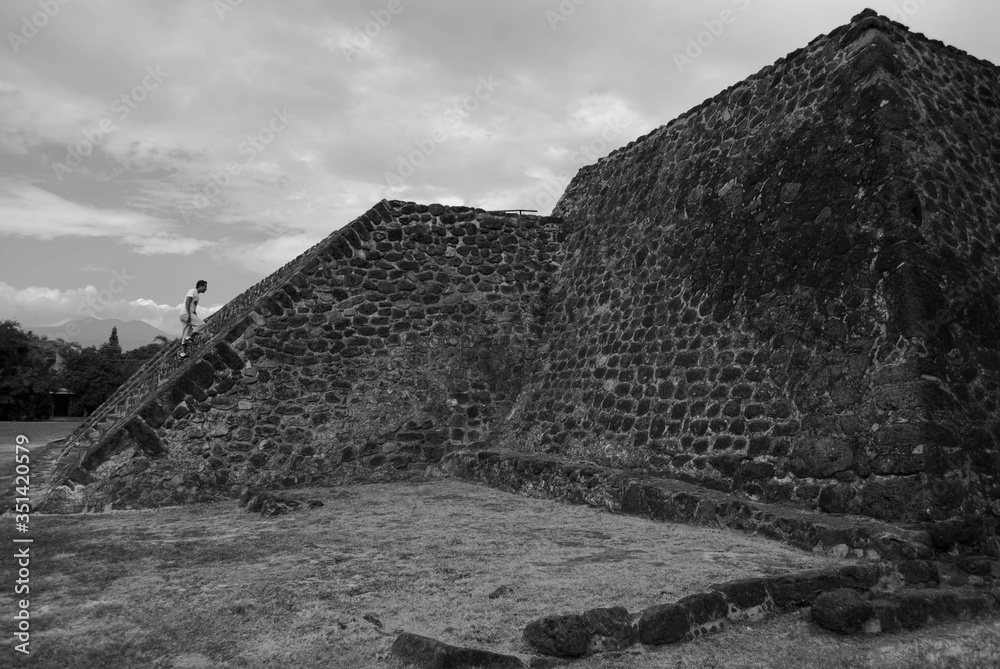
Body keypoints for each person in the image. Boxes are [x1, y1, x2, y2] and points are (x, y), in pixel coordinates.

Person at [178, 279, 208, 358]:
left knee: (185, 333)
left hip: (185, 314)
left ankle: (182, 353)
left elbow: (193, 307)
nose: (206, 289)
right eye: (205, 286)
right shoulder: (192, 291)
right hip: (186, 313)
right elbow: (187, 301)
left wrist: (194, 314)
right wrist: (188, 314)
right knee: (202, 325)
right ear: (200, 286)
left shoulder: (197, 295)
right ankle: (189, 338)